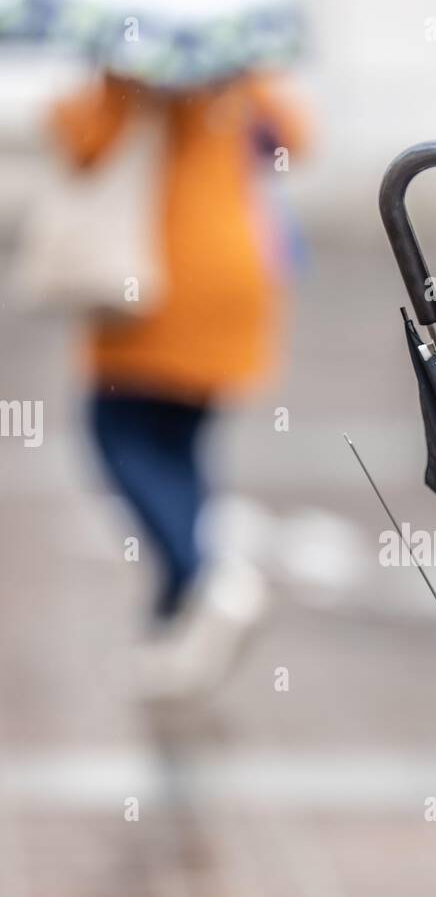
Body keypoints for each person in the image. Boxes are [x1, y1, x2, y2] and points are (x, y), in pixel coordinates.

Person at [49, 72, 312, 697]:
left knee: (115, 433)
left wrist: (90, 93)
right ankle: (172, 626)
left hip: (153, 283)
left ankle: (207, 581)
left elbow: (83, 145)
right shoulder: (239, 67)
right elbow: (295, 139)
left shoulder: (128, 71)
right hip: (236, 274)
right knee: (179, 448)